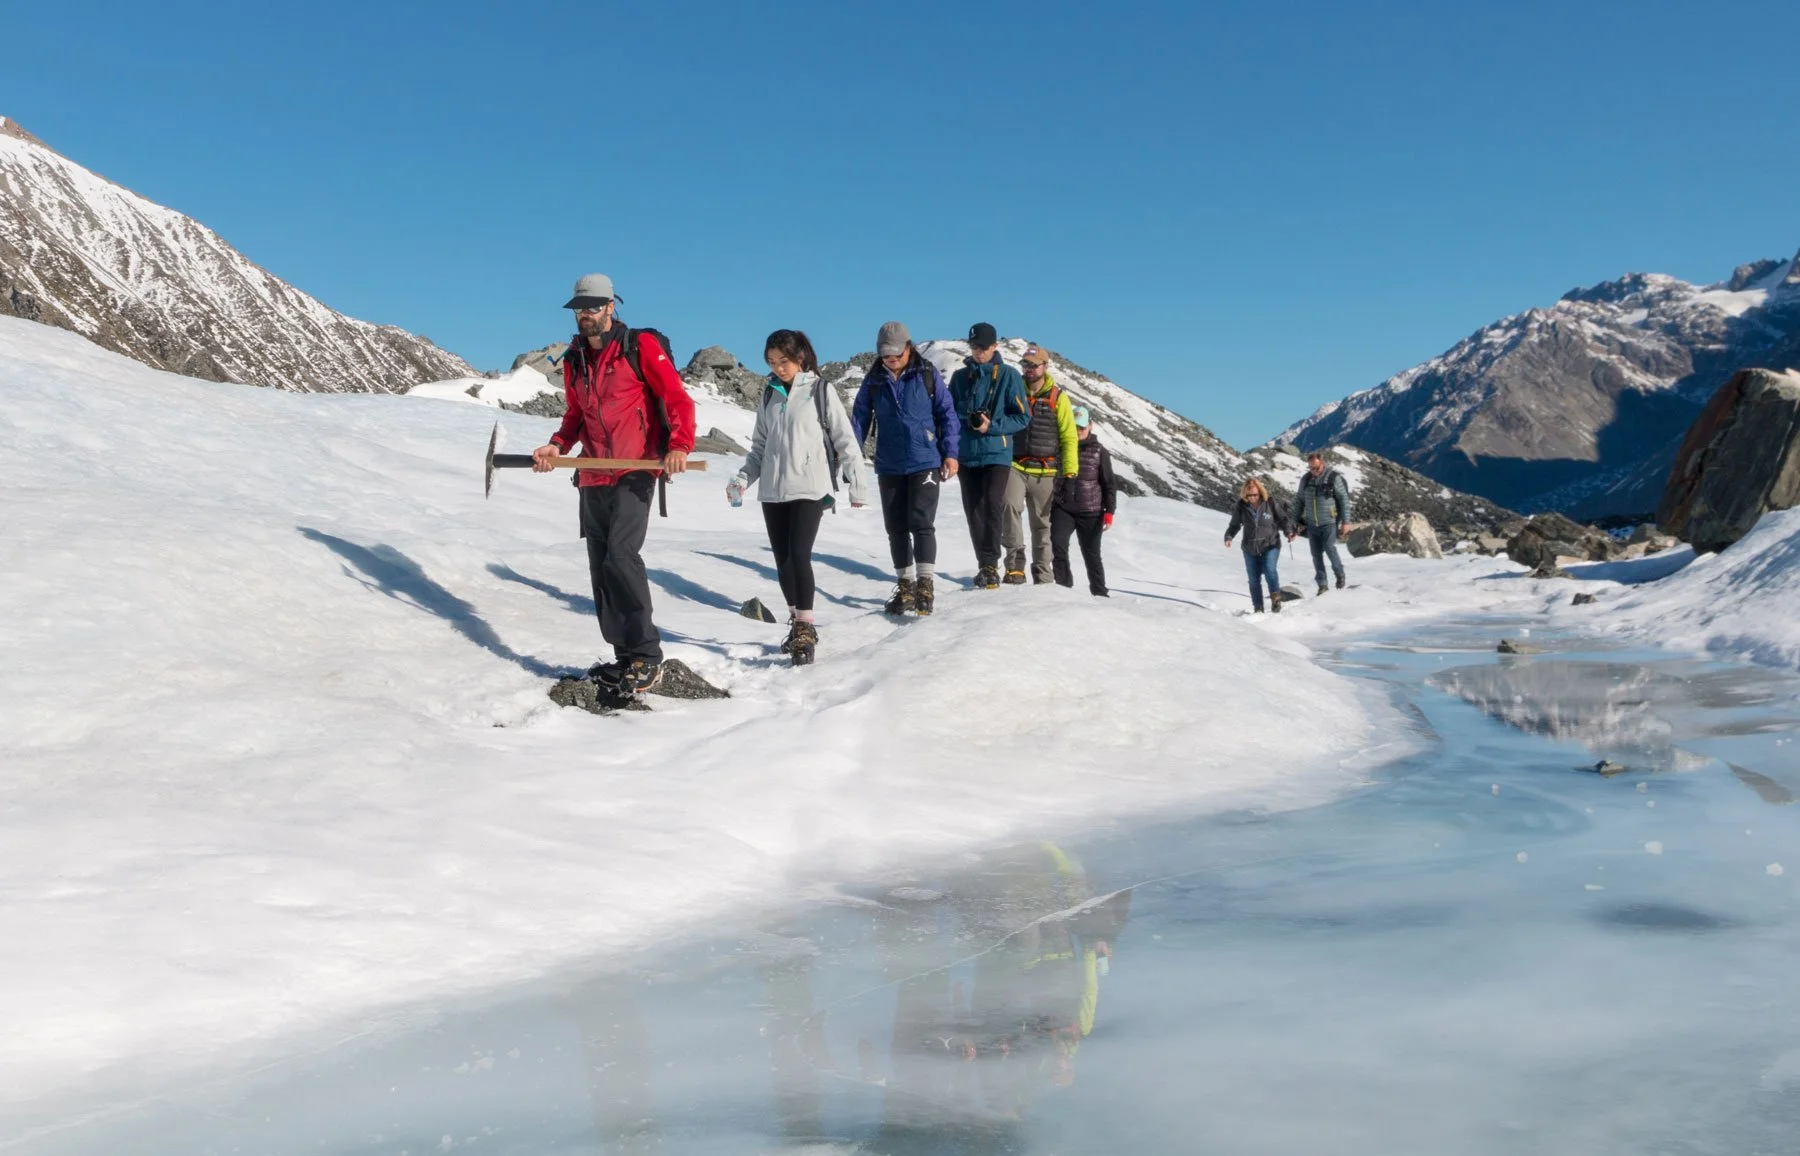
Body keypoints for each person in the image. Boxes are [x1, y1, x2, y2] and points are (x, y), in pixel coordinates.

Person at [531, 273, 695, 695]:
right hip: (593, 473)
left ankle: (647, 655)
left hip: (635, 467)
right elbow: (575, 417)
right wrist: (556, 445)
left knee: (622, 557)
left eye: (593, 307)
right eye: (580, 308)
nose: (585, 314)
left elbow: (677, 398)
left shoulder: (639, 347)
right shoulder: (574, 360)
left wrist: (678, 445)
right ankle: (625, 658)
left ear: (611, 307)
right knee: (601, 565)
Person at [726, 330, 869, 666]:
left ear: (800, 357)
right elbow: (760, 447)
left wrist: (857, 485)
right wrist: (743, 479)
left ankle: (804, 625)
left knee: (799, 554)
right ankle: (796, 620)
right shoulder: (769, 395)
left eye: (784, 362)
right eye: (773, 363)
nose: (779, 369)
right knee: (782, 560)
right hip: (773, 491)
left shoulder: (820, 390)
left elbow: (845, 440)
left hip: (810, 486)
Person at [851, 321, 959, 617]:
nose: (891, 359)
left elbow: (947, 413)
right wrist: (850, 454)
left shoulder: (926, 374)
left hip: (925, 458)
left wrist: (950, 453)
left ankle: (925, 584)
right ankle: (905, 586)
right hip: (889, 462)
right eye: (886, 355)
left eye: (896, 354)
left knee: (921, 522)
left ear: (908, 348)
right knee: (895, 528)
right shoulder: (874, 380)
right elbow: (860, 417)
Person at [947, 322, 1030, 589]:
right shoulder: (959, 378)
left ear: (994, 347)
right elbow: (948, 417)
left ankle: (992, 564)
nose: (978, 352)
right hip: (967, 454)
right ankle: (984, 564)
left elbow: (1022, 416)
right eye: (974, 347)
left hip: (996, 453)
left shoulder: (1009, 375)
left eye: (983, 347)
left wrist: (990, 426)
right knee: (974, 511)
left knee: (993, 506)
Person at [1003, 345, 1078, 584]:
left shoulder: (1059, 398)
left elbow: (1069, 437)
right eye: (1025, 365)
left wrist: (1070, 474)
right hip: (1015, 465)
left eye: (1034, 365)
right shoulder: (1013, 392)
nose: (1029, 369)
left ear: (1045, 367)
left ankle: (1043, 573)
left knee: (1042, 524)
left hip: (1045, 471)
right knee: (1009, 507)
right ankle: (1015, 566)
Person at [1050, 405, 1115, 596]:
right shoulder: (1060, 447)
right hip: (1064, 508)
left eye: (1082, 427)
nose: (1078, 431)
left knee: (1091, 554)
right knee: (1057, 544)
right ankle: (1063, 588)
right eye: (1075, 427)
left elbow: (1109, 483)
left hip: (1091, 510)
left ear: (1090, 426)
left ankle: (1100, 593)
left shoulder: (1099, 451)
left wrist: (1109, 512)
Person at [1225, 477, 1293, 613]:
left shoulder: (1270, 502)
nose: (1252, 498)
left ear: (1260, 492)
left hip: (1270, 544)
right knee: (1253, 580)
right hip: (1250, 548)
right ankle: (1258, 608)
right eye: (1249, 495)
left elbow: (1283, 519)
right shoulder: (1241, 506)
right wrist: (1229, 536)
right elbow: (1234, 524)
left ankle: (1276, 598)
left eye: (1255, 495)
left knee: (1269, 569)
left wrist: (1288, 531)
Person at [1289, 450, 1351, 595]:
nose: (1313, 471)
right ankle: (1322, 584)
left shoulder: (1333, 478)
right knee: (1316, 555)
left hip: (1329, 521)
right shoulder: (1305, 480)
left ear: (1323, 464)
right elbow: (1299, 501)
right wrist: (1294, 522)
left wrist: (1346, 522)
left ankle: (1339, 573)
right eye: (1310, 468)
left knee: (1329, 547)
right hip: (1312, 524)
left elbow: (1343, 500)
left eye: (1316, 468)